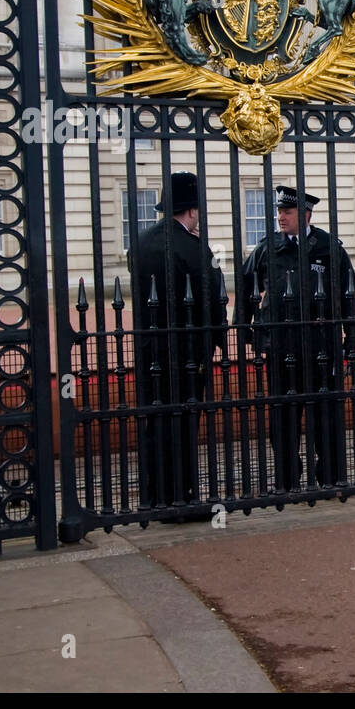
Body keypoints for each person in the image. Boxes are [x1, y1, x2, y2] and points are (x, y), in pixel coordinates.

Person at [241, 185, 355, 490]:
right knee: (284, 415)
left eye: (287, 212)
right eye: (279, 211)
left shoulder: (328, 247)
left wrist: (352, 341)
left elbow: (350, 297)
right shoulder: (268, 248)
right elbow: (246, 289)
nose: (281, 216)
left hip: (321, 345)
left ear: (305, 215)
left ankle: (330, 477)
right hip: (281, 346)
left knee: (325, 414)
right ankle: (287, 479)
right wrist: (244, 331)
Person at [129, 171, 227, 508]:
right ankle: (181, 496)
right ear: (192, 210)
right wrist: (216, 340)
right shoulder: (194, 246)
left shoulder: (140, 242)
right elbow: (215, 298)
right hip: (186, 351)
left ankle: (153, 495)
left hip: (148, 348)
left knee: (155, 422)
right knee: (184, 423)